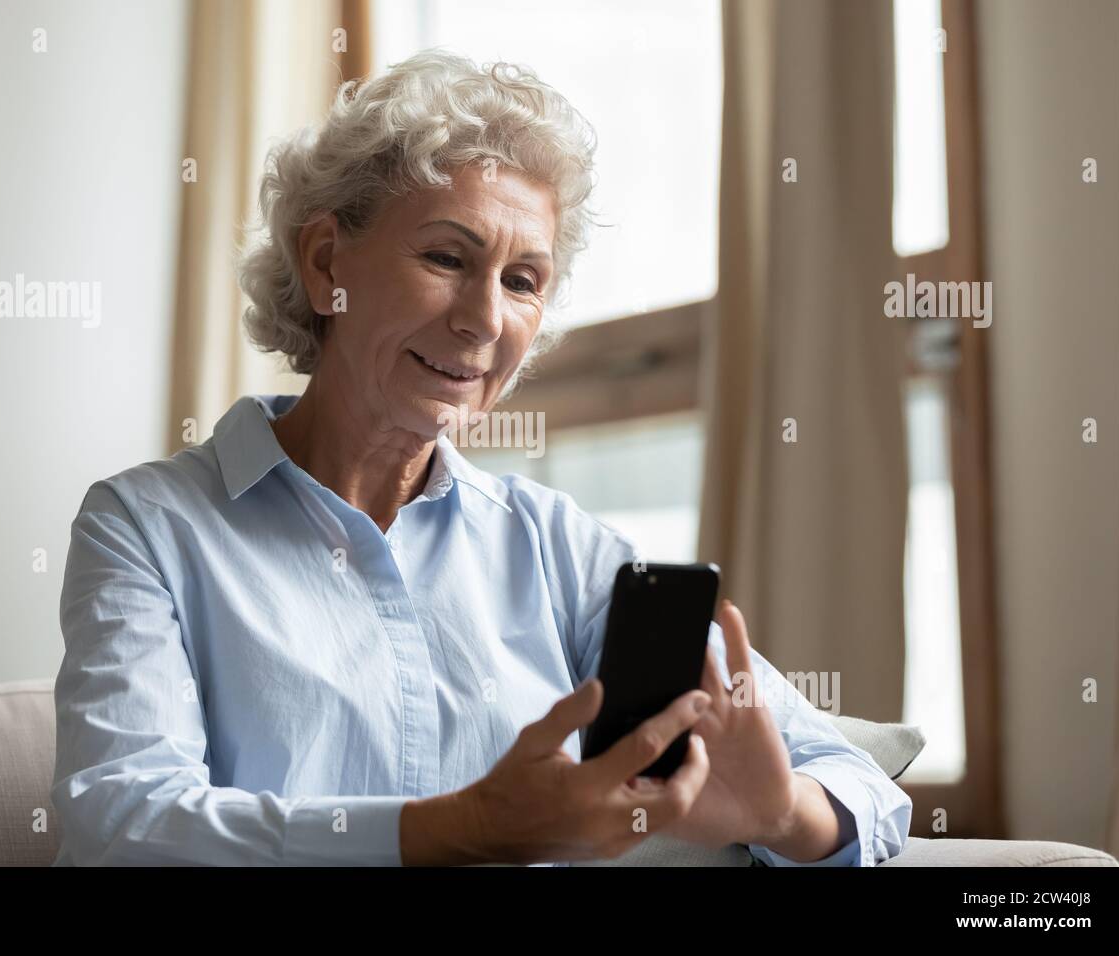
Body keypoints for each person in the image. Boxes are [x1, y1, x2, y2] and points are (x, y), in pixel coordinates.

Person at [51, 50, 911, 866]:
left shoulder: (556, 548)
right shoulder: (148, 527)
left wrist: (783, 815)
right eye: (446, 258)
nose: (485, 320)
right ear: (325, 265)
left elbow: (864, 784)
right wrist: (460, 830)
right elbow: (123, 827)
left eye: (523, 281)